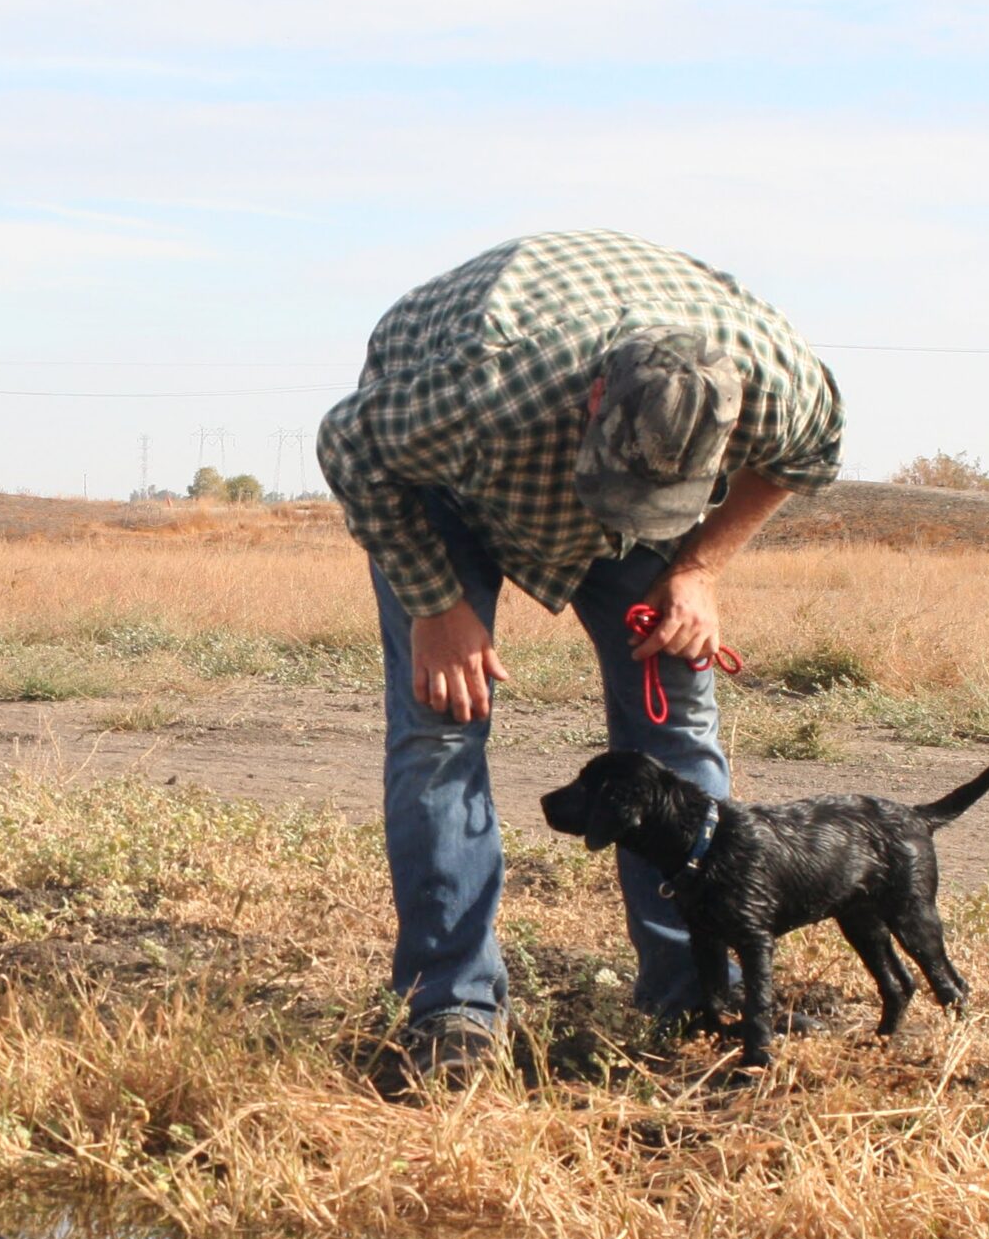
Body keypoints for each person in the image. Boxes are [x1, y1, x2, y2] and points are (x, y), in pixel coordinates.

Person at [318, 229, 845, 1080]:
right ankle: (453, 1009)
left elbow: (811, 456)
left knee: (677, 723)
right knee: (442, 722)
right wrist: (437, 604)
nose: (626, 516)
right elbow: (349, 446)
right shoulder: (482, 386)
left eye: (655, 497)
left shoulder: (776, 379)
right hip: (452, 487)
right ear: (596, 397)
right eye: (623, 490)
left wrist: (698, 565)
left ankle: (697, 986)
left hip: (630, 500)